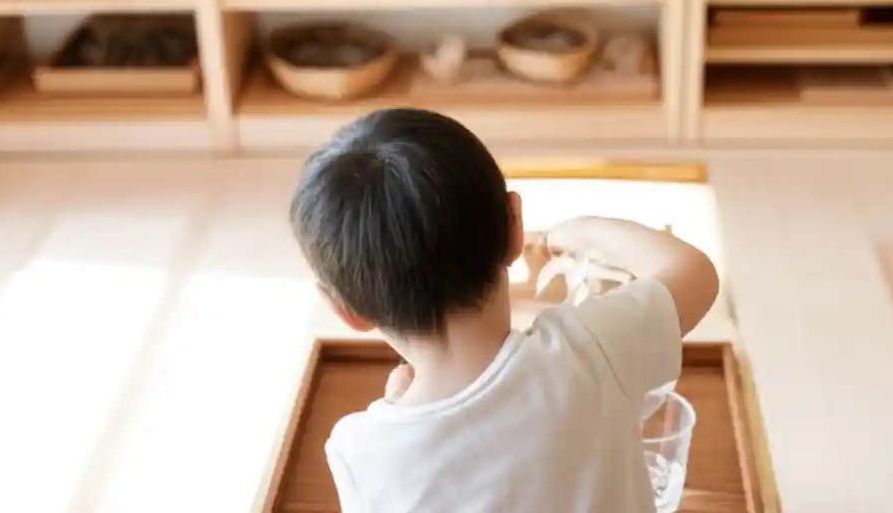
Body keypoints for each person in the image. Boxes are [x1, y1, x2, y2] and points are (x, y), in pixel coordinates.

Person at [289, 109, 719, 512]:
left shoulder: (360, 451)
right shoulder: (592, 349)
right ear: (514, 225)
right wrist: (580, 229)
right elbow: (694, 272)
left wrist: (397, 402)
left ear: (346, 312)